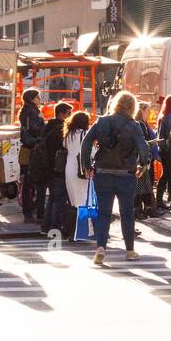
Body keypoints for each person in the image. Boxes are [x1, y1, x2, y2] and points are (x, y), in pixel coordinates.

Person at [80, 90, 149, 266]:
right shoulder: (134, 125)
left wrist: (87, 166)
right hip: (126, 174)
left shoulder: (102, 121)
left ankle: (100, 248)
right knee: (127, 212)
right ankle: (130, 250)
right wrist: (142, 165)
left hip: (103, 172)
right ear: (132, 107)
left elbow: (86, 143)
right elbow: (143, 148)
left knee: (103, 212)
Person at [39, 100, 72, 237]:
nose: (70, 116)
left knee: (52, 198)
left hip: (47, 168)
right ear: (61, 114)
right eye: (68, 114)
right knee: (59, 199)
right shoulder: (60, 131)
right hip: (58, 169)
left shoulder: (48, 127)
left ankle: (46, 227)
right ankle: (54, 228)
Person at [19, 87, 46, 222]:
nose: (39, 100)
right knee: (31, 183)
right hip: (32, 149)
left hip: (27, 149)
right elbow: (35, 129)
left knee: (27, 183)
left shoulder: (27, 110)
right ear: (32, 99)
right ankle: (29, 212)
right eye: (38, 97)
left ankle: (28, 211)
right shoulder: (32, 111)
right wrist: (43, 126)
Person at [63, 109, 90, 240]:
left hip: (69, 168)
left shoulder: (69, 134)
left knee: (73, 200)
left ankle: (69, 230)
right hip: (81, 169)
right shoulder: (85, 134)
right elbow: (93, 152)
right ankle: (80, 232)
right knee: (83, 200)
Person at [134, 101, 158, 220]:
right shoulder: (139, 124)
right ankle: (142, 210)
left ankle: (146, 209)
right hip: (141, 159)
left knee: (144, 186)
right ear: (142, 110)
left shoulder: (143, 123)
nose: (150, 112)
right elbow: (142, 143)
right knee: (141, 186)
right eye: (148, 110)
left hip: (144, 158)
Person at [155, 94, 171, 211]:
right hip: (168, 151)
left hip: (164, 150)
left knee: (167, 175)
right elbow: (170, 136)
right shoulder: (170, 117)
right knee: (169, 176)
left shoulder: (165, 116)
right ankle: (170, 201)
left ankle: (161, 200)